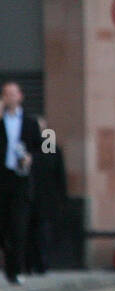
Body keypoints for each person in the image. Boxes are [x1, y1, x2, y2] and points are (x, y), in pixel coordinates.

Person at [0, 82, 41, 285]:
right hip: (2, 178)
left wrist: (31, 158)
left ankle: (14, 271)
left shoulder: (32, 122)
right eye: (6, 94)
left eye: (13, 93)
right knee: (3, 227)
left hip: (21, 179)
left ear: (21, 96)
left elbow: (45, 150)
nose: (10, 97)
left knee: (18, 228)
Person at [25, 115, 67, 275]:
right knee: (29, 233)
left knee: (42, 233)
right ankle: (30, 264)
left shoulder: (50, 148)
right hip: (28, 197)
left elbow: (59, 175)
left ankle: (41, 264)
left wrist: (61, 198)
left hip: (45, 199)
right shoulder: (27, 146)